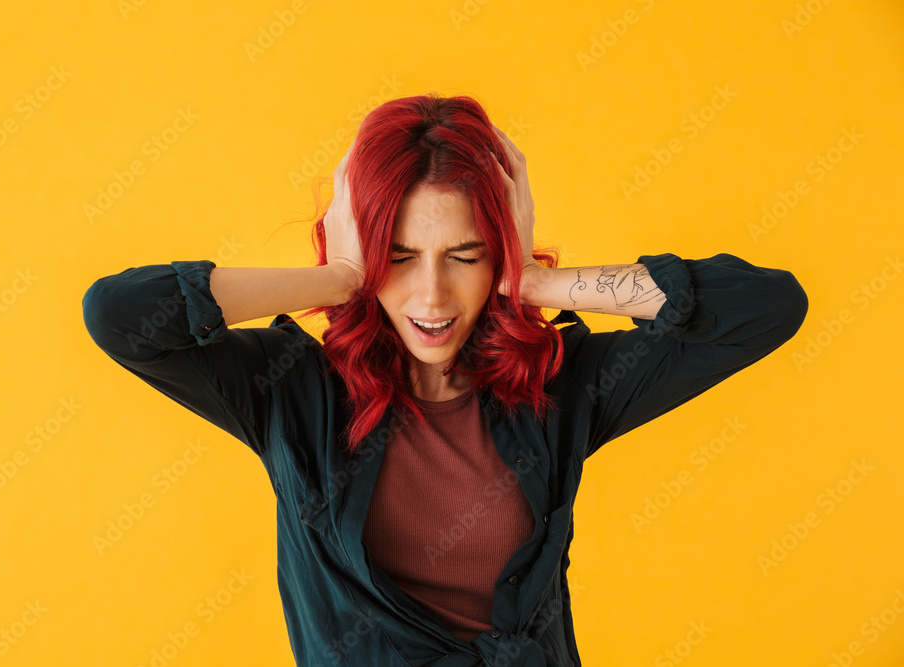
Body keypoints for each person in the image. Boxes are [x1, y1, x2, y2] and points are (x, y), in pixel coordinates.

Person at [81, 94, 809, 667]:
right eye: (399, 256)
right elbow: (119, 314)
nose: (432, 297)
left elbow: (765, 308)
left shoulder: (556, 391)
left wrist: (541, 281)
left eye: (466, 255)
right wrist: (334, 276)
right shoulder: (289, 391)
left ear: (500, 259)